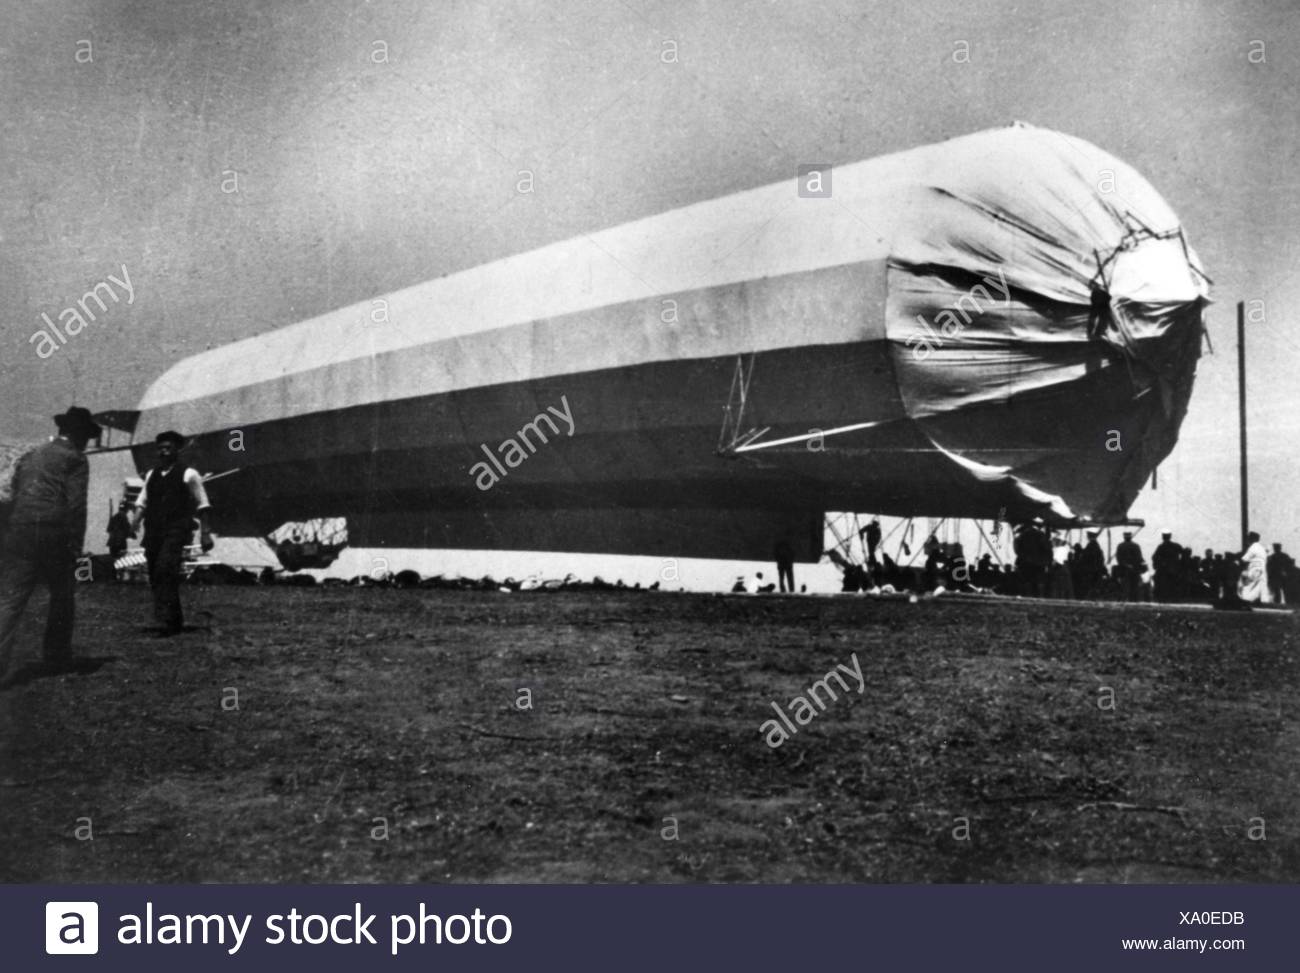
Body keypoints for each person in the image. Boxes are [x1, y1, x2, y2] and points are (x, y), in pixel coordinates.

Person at [0, 407, 99, 682]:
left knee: (10, 599)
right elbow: (76, 505)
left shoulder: (32, 454)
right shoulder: (76, 459)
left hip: (18, 530)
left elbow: (14, 492)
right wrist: (76, 546)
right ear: (79, 434)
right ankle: (56, 656)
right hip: (53, 531)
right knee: (63, 594)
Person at [130, 430, 213, 634]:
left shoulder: (189, 474)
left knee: (165, 568)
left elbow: (203, 504)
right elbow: (142, 501)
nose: (164, 452)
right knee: (155, 573)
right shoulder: (152, 474)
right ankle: (172, 619)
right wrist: (135, 522)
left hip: (177, 529)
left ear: (178, 450)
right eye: (160, 449)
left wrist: (205, 533)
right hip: (154, 531)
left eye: (168, 448)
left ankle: (165, 621)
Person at [1237, 531, 1268, 604]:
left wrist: (1237, 562)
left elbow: (1245, 559)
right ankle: (1261, 601)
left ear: (1252, 539)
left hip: (1254, 568)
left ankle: (1246, 600)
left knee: (1247, 584)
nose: (1248, 540)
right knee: (1261, 586)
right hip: (1262, 569)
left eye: (1249, 538)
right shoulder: (1261, 548)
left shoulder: (1253, 547)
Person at [1114, 531, 1146, 602]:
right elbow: (1139, 558)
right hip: (1135, 570)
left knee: (1125, 587)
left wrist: (1126, 565)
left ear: (1124, 537)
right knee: (1134, 587)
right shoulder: (1136, 546)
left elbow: (1119, 558)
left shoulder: (1120, 546)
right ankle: (1134, 600)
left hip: (1124, 570)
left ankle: (1125, 600)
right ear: (1131, 537)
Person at [1152, 531, 1181, 603]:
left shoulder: (1161, 546)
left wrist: (1158, 565)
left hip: (1164, 570)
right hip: (1174, 570)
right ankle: (1174, 599)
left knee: (1163, 585)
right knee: (1173, 585)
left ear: (1163, 537)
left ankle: (1163, 599)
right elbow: (1184, 553)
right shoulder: (1176, 546)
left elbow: (1154, 557)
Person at [106, 499, 134, 572]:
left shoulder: (114, 517)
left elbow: (109, 529)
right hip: (120, 542)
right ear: (126, 509)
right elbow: (127, 529)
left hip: (112, 542)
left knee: (114, 559)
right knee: (121, 560)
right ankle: (119, 576)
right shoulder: (124, 517)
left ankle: (114, 576)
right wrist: (132, 534)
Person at [1078, 530, 1106, 599]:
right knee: (1095, 587)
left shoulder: (1091, 546)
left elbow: (1085, 558)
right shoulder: (1097, 546)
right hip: (1096, 570)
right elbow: (1101, 559)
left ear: (1089, 536)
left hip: (1090, 571)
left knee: (1090, 587)